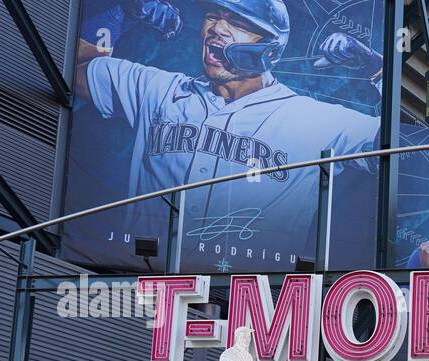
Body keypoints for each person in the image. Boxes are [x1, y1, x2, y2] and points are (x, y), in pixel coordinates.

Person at [74, 0, 382, 261]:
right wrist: (124, 12)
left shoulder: (313, 120)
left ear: (271, 49)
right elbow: (71, 65)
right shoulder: (159, 90)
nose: (218, 29)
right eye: (213, 16)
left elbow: (410, 149)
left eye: (237, 21)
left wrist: (375, 67)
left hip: (247, 307)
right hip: (138, 281)